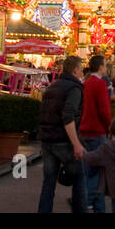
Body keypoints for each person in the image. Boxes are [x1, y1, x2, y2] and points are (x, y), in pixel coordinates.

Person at [37, 55, 87, 213]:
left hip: (47, 139)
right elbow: (68, 116)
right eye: (80, 69)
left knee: (48, 183)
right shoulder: (74, 88)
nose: (82, 72)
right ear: (75, 70)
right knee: (79, 178)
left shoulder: (53, 86)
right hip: (63, 140)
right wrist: (76, 143)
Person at [79, 54, 112, 212]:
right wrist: (108, 128)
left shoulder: (85, 83)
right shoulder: (100, 84)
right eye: (105, 65)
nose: (106, 68)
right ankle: (86, 201)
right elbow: (104, 110)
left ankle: (97, 205)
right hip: (97, 130)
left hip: (84, 130)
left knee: (87, 170)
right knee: (98, 173)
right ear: (100, 67)